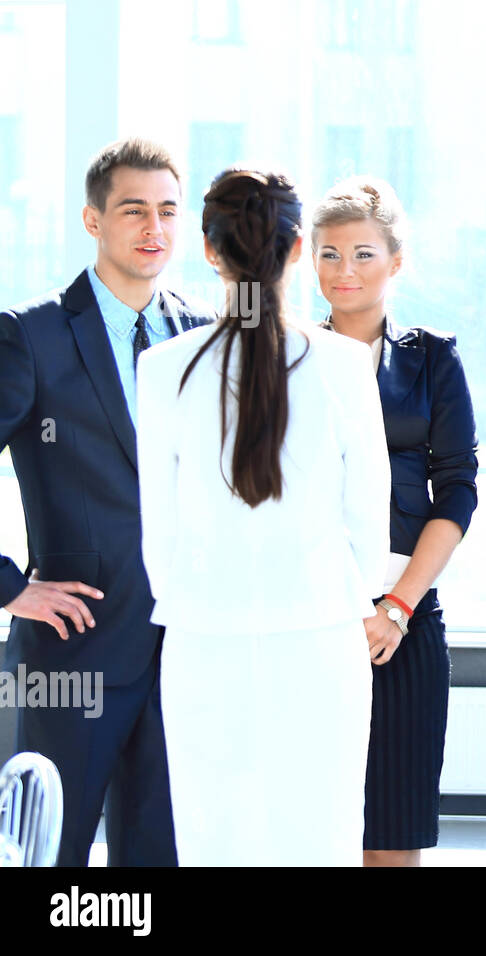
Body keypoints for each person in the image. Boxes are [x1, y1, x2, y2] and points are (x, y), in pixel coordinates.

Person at [135, 168, 390, 866]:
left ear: (209, 252)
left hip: (201, 638)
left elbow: (156, 539)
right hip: (319, 636)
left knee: (215, 841)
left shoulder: (161, 369)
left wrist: (205, 595)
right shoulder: (344, 365)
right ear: (300, 250)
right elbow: (370, 538)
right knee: (321, 840)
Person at [0, 138, 212, 866]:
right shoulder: (30, 336)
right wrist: (8, 589)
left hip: (183, 652)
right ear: (92, 220)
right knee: (50, 857)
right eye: (133, 210)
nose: (154, 228)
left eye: (167, 211)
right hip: (72, 657)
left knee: (157, 861)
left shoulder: (203, 335)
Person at [311, 177, 479, 867]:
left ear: (396, 262)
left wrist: (399, 606)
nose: (343, 271)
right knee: (319, 832)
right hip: (314, 618)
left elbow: (458, 494)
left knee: (392, 835)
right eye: (327, 254)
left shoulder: (433, 357)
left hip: (403, 622)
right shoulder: (290, 357)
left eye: (362, 254)